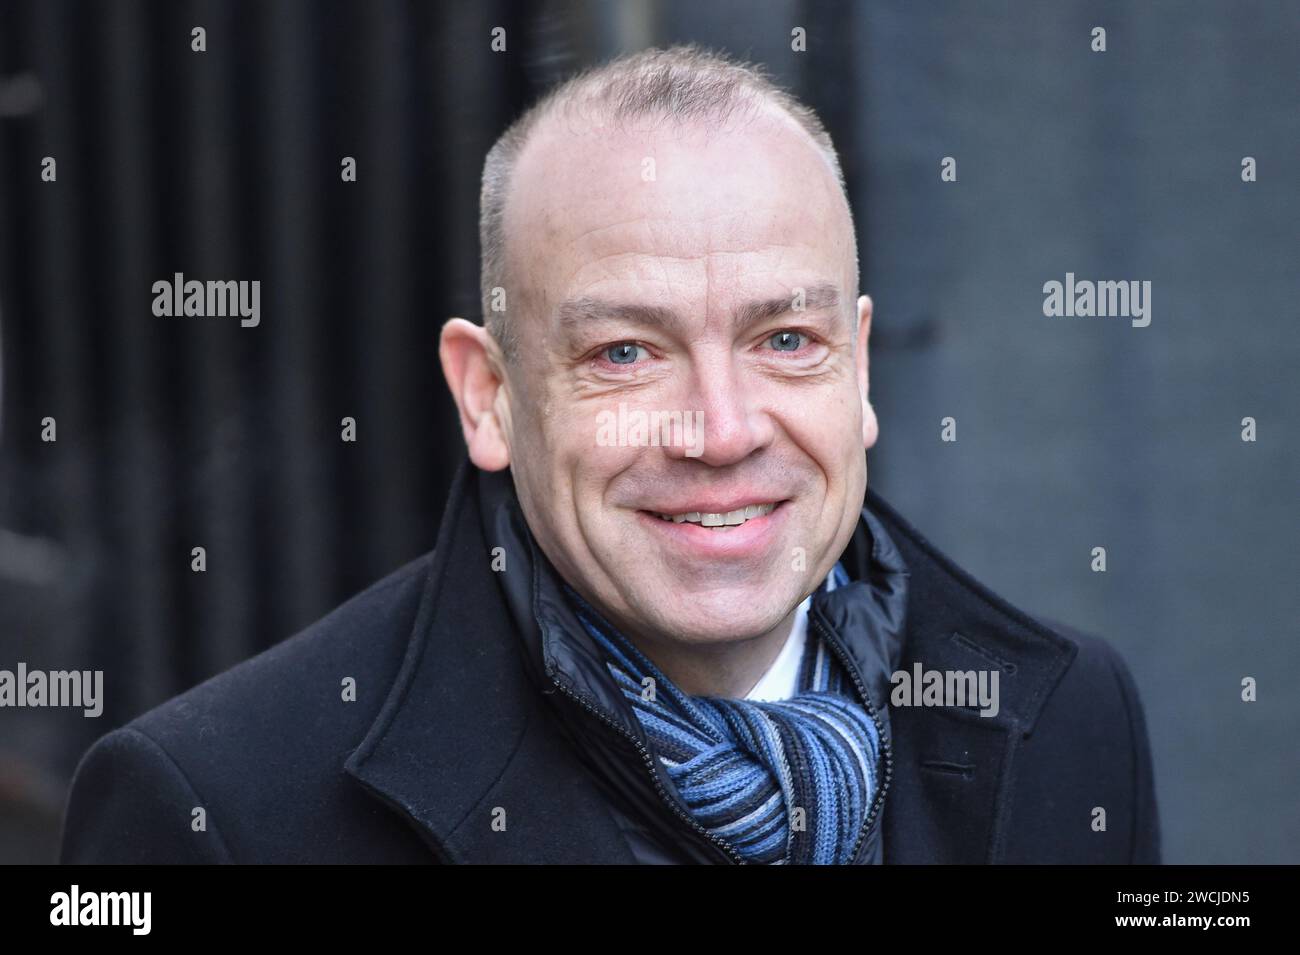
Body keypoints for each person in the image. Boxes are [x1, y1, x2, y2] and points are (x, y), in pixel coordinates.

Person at [60, 45, 1159, 864]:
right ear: (488, 397)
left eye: (785, 340)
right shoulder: (215, 812)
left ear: (858, 368)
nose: (723, 430)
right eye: (626, 351)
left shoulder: (1069, 716)